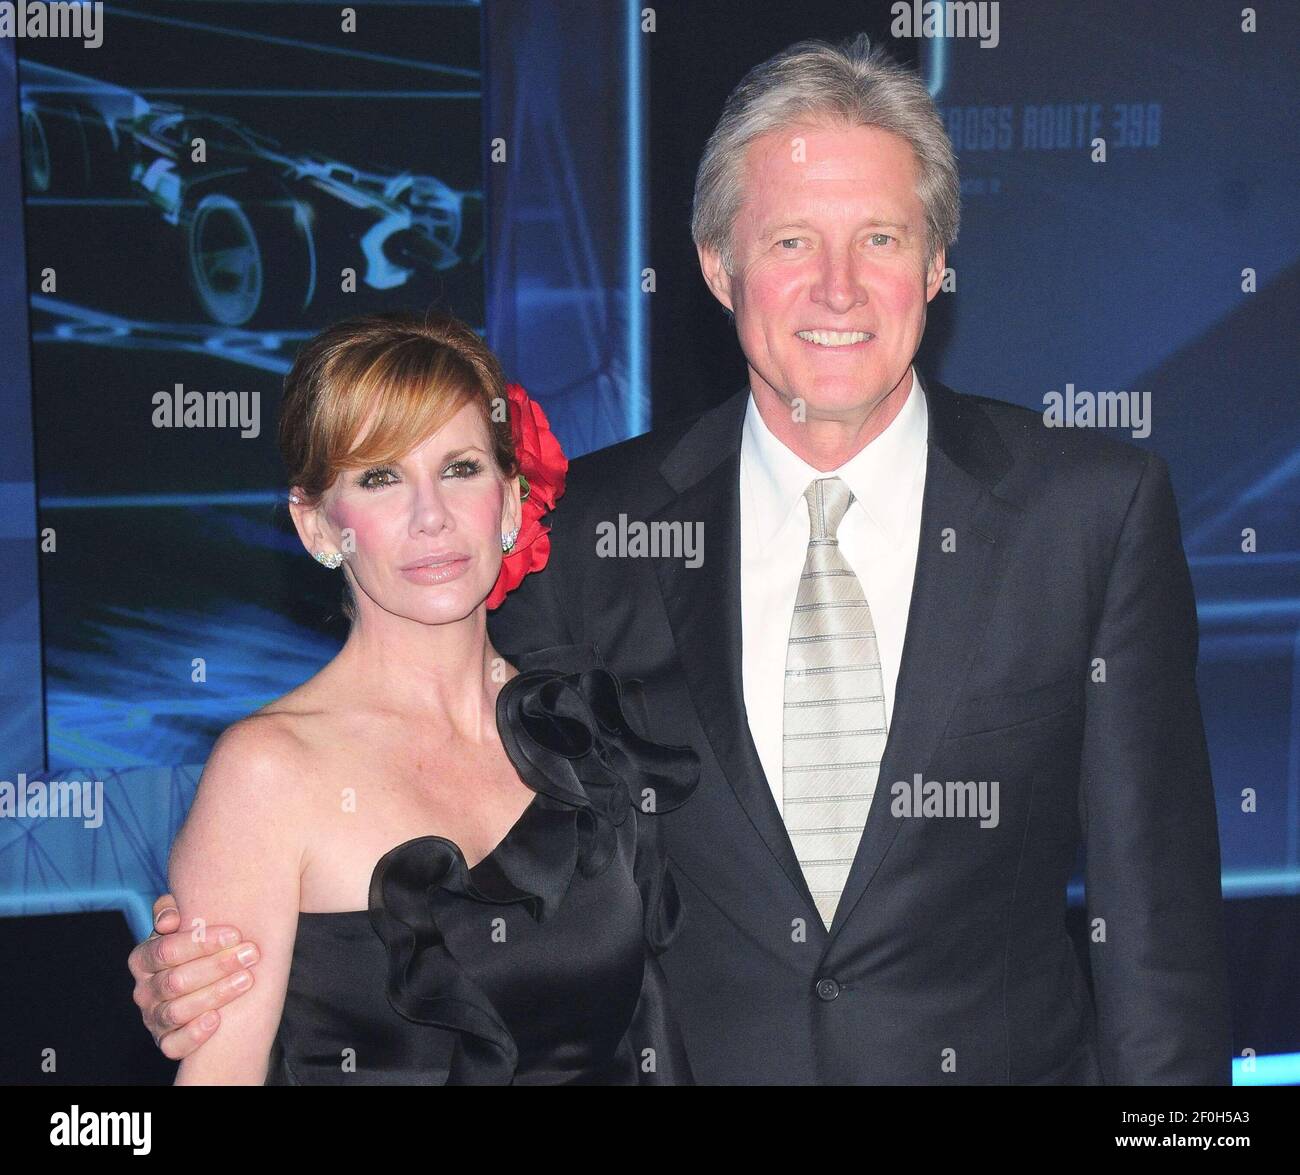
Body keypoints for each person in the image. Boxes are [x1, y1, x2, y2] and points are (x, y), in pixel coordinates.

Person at [131, 34, 1230, 1084]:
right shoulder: (587, 532)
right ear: (716, 266)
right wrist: (213, 957)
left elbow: (1156, 923)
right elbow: (416, 774)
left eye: (881, 238)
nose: (837, 288)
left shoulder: (1089, 511)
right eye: (791, 239)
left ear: (939, 262)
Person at [154, 309, 698, 1083]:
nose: (431, 515)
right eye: (380, 477)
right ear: (315, 526)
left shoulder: (580, 731)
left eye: (460, 467)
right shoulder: (267, 774)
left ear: (510, 503)